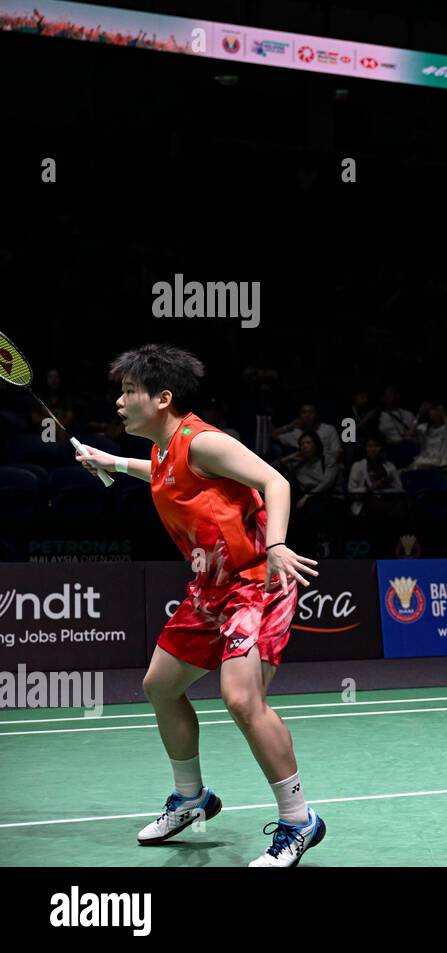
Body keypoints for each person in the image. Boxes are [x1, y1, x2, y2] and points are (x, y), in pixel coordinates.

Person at [74, 344, 326, 866]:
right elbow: (164, 474)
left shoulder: (203, 440)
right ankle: (191, 799)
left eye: (128, 392)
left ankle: (299, 821)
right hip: (210, 589)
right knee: (160, 686)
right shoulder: (167, 449)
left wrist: (276, 545)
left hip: (256, 582)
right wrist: (113, 463)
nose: (119, 402)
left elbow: (273, 481)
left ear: (163, 399)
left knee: (241, 699)